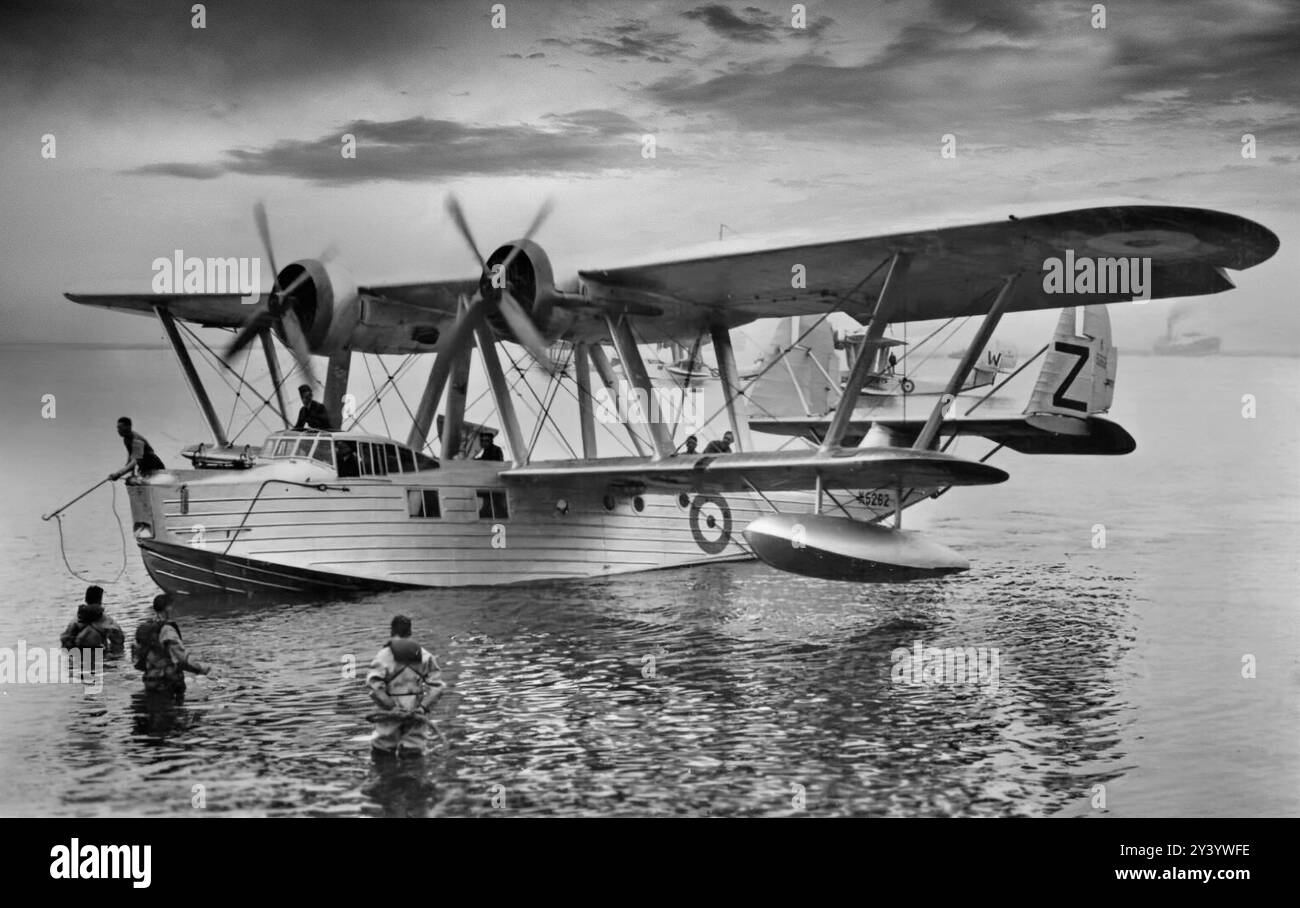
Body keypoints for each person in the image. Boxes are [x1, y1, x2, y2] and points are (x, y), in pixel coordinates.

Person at [366, 615, 445, 757]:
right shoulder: (425, 655)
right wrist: (423, 708)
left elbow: (374, 688)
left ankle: (385, 774)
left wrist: (393, 708)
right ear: (410, 632)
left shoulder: (383, 655)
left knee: (383, 751)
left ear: (391, 631)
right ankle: (415, 774)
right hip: (416, 711)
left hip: (390, 711)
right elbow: (438, 688)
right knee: (414, 752)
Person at [134, 594, 212, 697]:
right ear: (167, 608)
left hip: (150, 681)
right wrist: (200, 669)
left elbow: (137, 658)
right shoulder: (167, 630)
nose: (173, 609)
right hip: (167, 683)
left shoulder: (145, 628)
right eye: (171, 606)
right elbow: (181, 658)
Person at [59, 585, 125, 653]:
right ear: (100, 601)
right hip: (99, 656)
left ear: (86, 600)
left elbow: (65, 641)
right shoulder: (106, 620)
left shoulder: (76, 620)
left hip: (79, 657)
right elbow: (119, 641)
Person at [110, 417, 165, 481]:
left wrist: (119, 474)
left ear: (128, 427)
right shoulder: (126, 439)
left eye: (120, 428)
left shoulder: (137, 441)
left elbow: (134, 462)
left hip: (155, 467)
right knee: (132, 480)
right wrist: (131, 474)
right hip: (144, 467)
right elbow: (131, 458)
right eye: (118, 428)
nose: (118, 430)